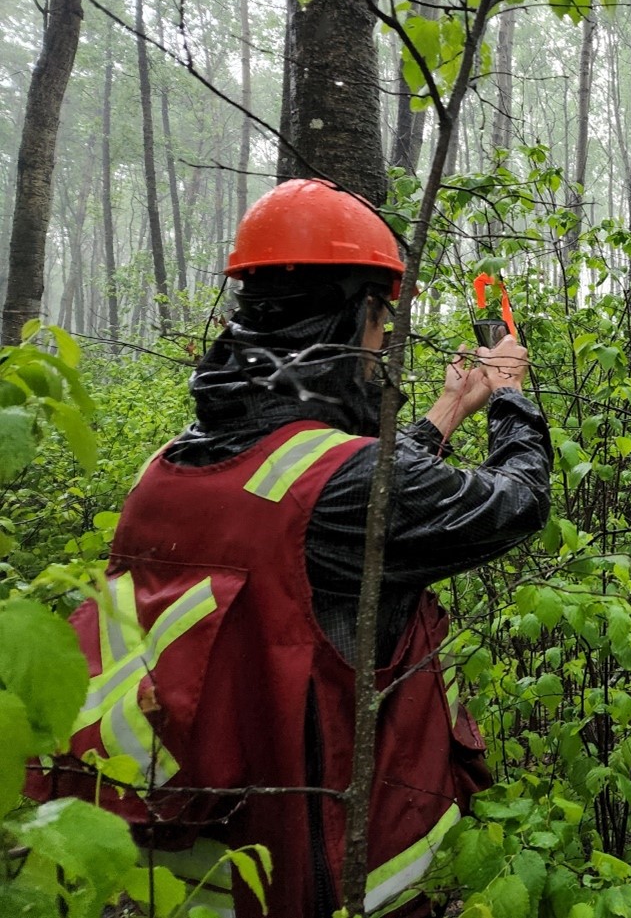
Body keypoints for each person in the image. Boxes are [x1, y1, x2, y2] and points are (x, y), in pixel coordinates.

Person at [28, 178, 553, 917]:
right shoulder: (342, 488)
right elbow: (515, 503)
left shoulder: (167, 467)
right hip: (318, 880)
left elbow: (318, 497)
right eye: (382, 324)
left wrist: (445, 409)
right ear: (362, 315)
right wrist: (509, 396)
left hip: (170, 872)